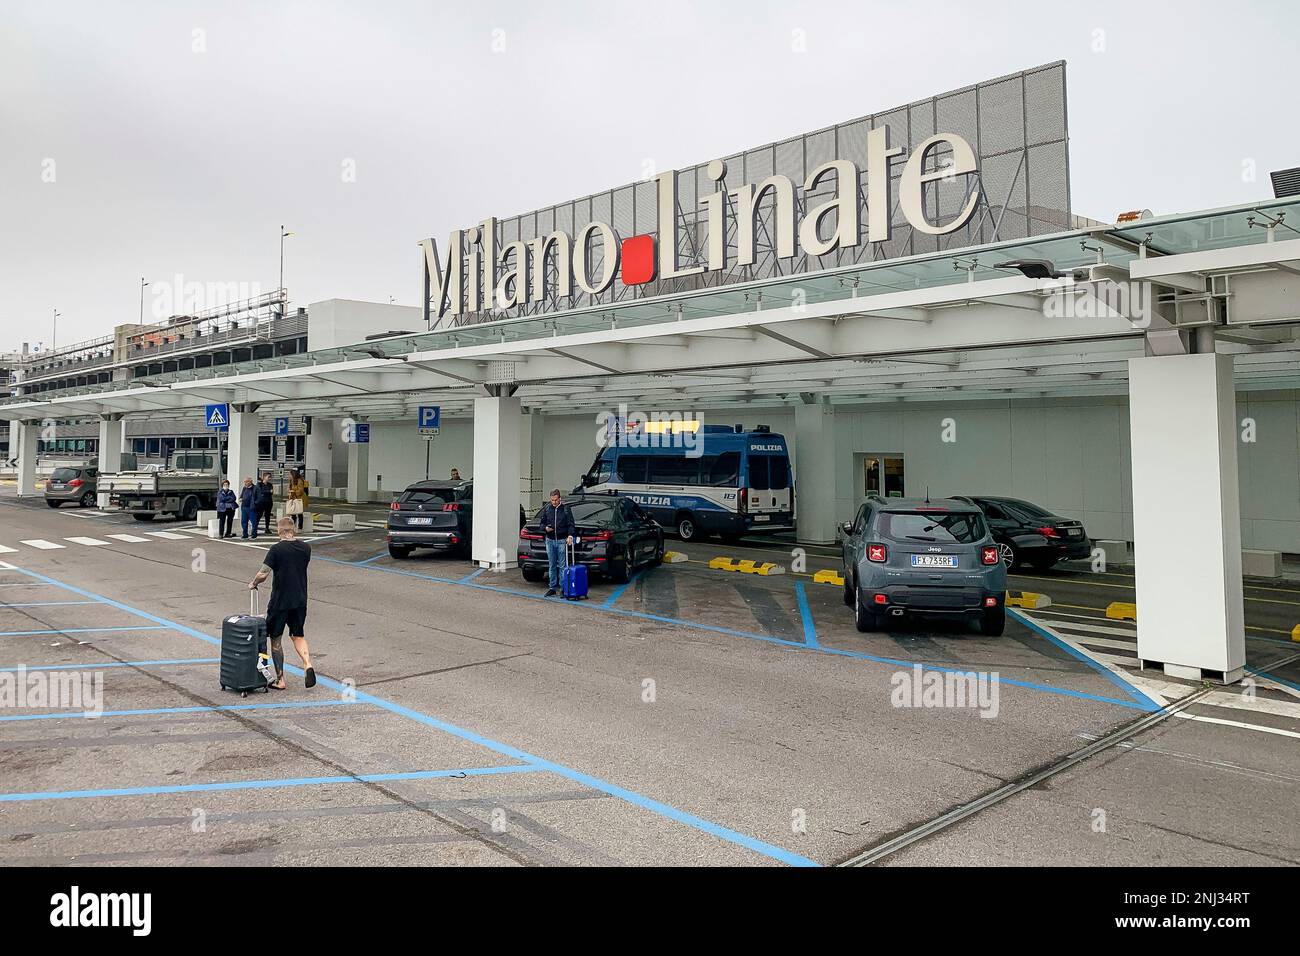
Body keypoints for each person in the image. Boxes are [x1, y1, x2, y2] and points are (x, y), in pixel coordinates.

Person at [248, 516, 316, 690]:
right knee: (298, 635)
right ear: (293, 530)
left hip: (280, 601)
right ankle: (307, 664)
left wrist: (254, 583)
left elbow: (263, 574)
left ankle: (280, 680)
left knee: (276, 639)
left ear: (279, 531)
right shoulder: (305, 548)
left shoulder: (276, 549)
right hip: (300, 599)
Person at [539, 489, 574, 597]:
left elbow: (571, 524)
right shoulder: (547, 509)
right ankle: (552, 587)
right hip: (550, 540)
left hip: (561, 540)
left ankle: (563, 588)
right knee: (552, 565)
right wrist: (545, 528)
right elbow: (541, 524)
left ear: (560, 499)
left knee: (562, 565)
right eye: (552, 500)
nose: (553, 502)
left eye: (555, 500)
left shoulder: (566, 509)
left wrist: (570, 535)